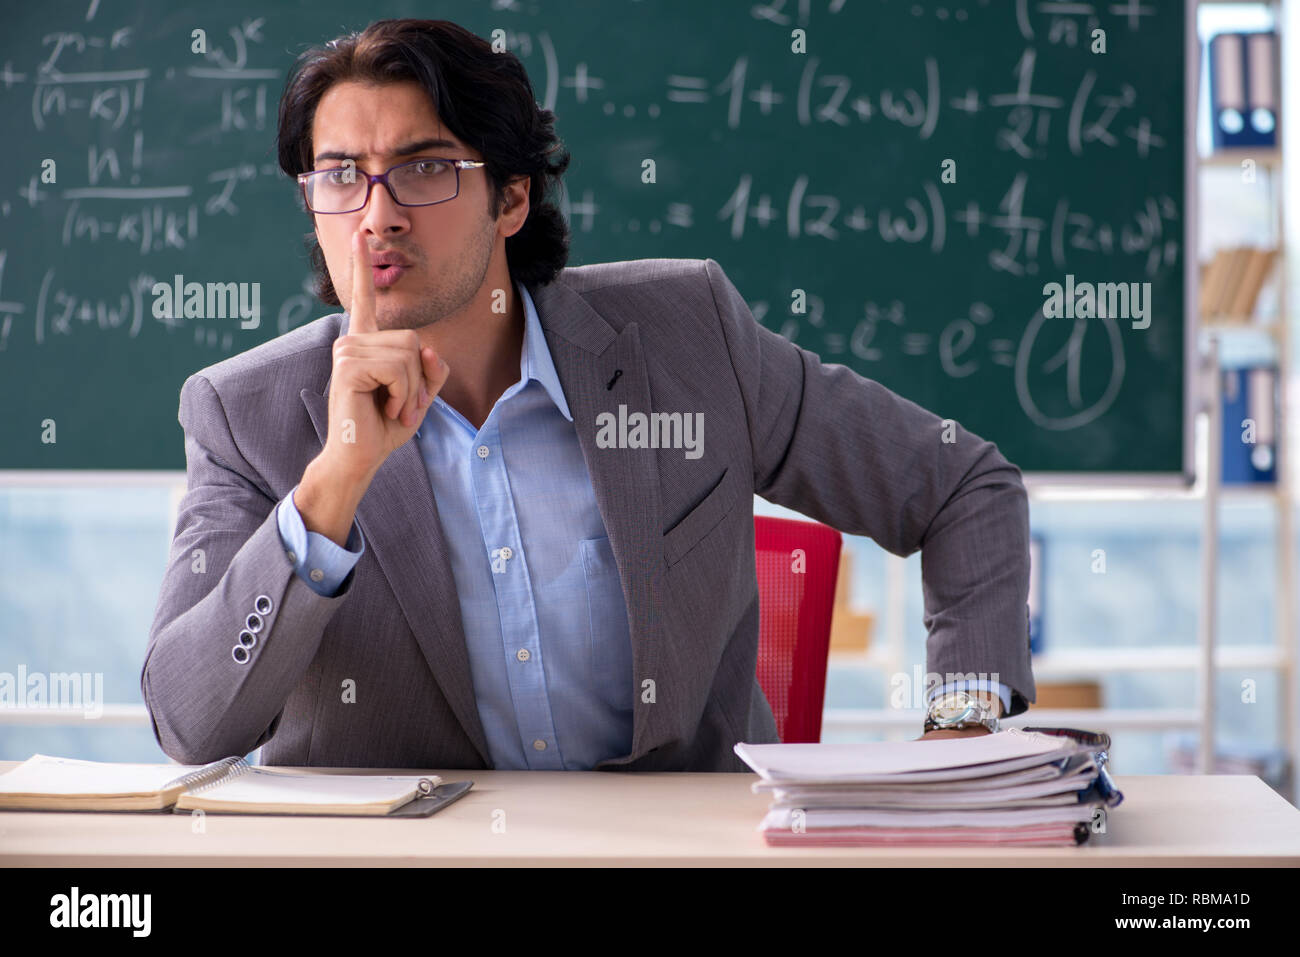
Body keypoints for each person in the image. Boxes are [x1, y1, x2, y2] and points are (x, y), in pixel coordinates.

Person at [142, 18, 1034, 772]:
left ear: (512, 198)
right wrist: (332, 485)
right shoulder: (243, 414)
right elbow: (191, 723)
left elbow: (960, 484)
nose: (377, 215)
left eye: (423, 168)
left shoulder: (689, 334)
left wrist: (963, 733)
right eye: (340, 175)